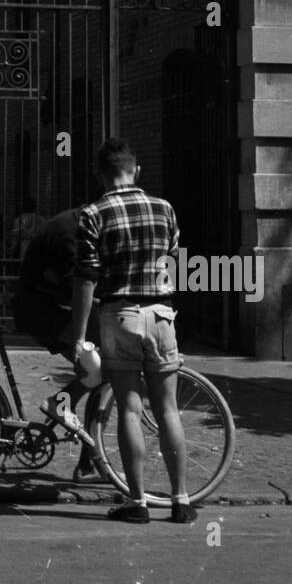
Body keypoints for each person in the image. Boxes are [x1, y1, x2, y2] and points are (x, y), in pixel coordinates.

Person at [72, 138, 195, 524]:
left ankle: (138, 501)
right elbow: (175, 263)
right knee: (168, 408)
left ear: (100, 174)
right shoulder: (164, 209)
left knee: (128, 406)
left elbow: (87, 278)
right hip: (161, 313)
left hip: (119, 314)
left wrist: (79, 336)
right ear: (136, 170)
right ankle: (181, 500)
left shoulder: (93, 213)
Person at [12, 206, 102, 480]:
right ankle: (62, 403)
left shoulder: (80, 224)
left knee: (99, 373)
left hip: (50, 306)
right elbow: (77, 286)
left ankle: (89, 461)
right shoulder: (71, 233)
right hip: (42, 311)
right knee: (100, 365)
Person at [8, 195, 46, 262]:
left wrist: (12, 251)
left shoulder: (20, 219)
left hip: (25, 249)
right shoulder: (42, 219)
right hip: (40, 248)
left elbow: (16, 237)